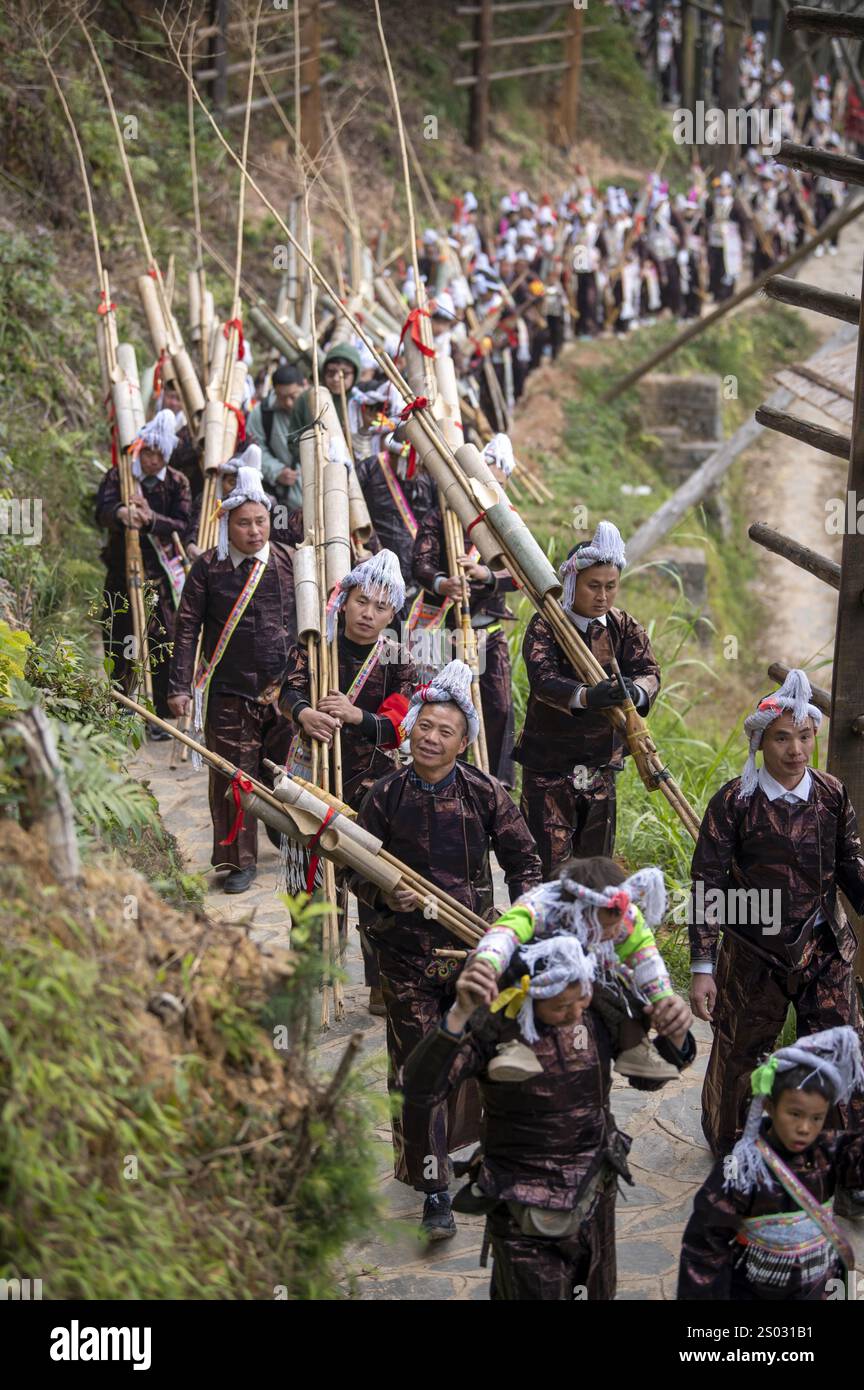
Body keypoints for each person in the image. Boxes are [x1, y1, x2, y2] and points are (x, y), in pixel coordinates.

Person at [345, 660, 542, 1240]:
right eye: (423, 726)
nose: (431, 738)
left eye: (445, 731)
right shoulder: (382, 796)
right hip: (405, 956)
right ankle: (434, 1188)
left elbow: (525, 862)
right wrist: (386, 896)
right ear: (410, 731)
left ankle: (496, 1159)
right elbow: (354, 872)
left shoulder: (486, 793)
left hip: (474, 953)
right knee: (419, 1069)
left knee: (488, 1061)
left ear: (464, 742)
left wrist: (517, 923)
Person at [402, 933, 694, 1299]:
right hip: (523, 1202)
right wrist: (458, 1016)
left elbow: (647, 1078)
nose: (574, 1012)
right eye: (560, 1007)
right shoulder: (492, 1028)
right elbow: (419, 1089)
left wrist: (677, 1035)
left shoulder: (599, 1011)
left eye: (581, 999)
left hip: (593, 1191)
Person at [689, 668, 864, 1162]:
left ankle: (843, 1157)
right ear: (760, 742)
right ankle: (732, 1149)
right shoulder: (734, 802)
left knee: (837, 1049)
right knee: (741, 1054)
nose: (795, 749)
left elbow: (852, 868)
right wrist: (703, 966)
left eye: (804, 736)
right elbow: (708, 885)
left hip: (824, 945)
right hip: (752, 950)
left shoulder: (831, 795)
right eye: (781, 738)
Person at [278, 549, 417, 1013]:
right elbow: (288, 689)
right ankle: (310, 977)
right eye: (362, 601)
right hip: (315, 776)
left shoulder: (398, 658)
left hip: (373, 789)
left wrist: (357, 716)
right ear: (346, 598)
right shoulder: (318, 645)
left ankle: (381, 985)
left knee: (373, 884)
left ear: (392, 613)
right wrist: (306, 714)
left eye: (380, 607)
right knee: (311, 879)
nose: (368, 613)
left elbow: (403, 725)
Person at [167, 465, 297, 893]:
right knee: (233, 776)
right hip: (229, 690)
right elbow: (186, 627)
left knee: (281, 769)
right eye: (244, 523)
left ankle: (282, 827)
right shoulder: (208, 568)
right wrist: (180, 686)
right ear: (227, 523)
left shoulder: (286, 562)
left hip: (283, 692)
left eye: (261, 521)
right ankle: (238, 859)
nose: (255, 531)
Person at [514, 519, 660, 877]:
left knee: (595, 867)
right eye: (593, 586)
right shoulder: (547, 625)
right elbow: (544, 680)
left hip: (600, 767)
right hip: (550, 767)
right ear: (571, 582)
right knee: (549, 864)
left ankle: (590, 931)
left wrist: (635, 691)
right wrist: (587, 696)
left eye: (611, 586)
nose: (603, 596)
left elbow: (649, 671)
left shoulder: (625, 626)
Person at [678, 1027, 864, 1300]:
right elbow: (706, 1241)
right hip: (756, 1290)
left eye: (816, 1118)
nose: (804, 1128)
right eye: (794, 1113)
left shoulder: (830, 1151)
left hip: (818, 1284)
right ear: (768, 1105)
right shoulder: (742, 1166)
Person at [472, 857, 680, 1084]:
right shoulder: (543, 906)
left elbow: (645, 957)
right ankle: (514, 1046)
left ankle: (635, 1048)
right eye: (606, 926)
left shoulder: (624, 915)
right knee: (509, 990)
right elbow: (504, 933)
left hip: (597, 971)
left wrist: (662, 997)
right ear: (581, 911)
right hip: (538, 973)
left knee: (628, 990)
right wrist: (488, 962)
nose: (614, 932)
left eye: (616, 925)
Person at [411, 434, 520, 784]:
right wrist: (445, 583)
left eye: (497, 486)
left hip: (487, 633)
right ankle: (438, 778)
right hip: (445, 634)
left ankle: (496, 786)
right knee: (444, 714)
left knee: (499, 710)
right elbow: (420, 564)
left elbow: (521, 575)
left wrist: (485, 575)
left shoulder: (508, 523)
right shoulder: (441, 518)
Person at [95, 408, 191, 728]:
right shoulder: (121, 475)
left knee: (161, 640)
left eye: (158, 454)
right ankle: (123, 703)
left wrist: (150, 519)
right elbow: (102, 510)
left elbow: (181, 522)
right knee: (120, 636)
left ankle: (159, 713)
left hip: (160, 578)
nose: (151, 460)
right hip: (122, 571)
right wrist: (121, 513)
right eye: (147, 452)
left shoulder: (177, 483)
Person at [352, 432, 436, 603]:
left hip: (415, 575)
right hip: (374, 567)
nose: (416, 469)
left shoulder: (428, 479)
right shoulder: (370, 468)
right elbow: (352, 513)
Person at [246, 363, 308, 513]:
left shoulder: (319, 408)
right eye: (282, 397)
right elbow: (253, 448)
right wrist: (276, 471)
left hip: (318, 500)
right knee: (281, 533)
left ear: (304, 385)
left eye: (293, 396)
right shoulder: (262, 413)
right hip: (282, 501)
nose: (288, 403)